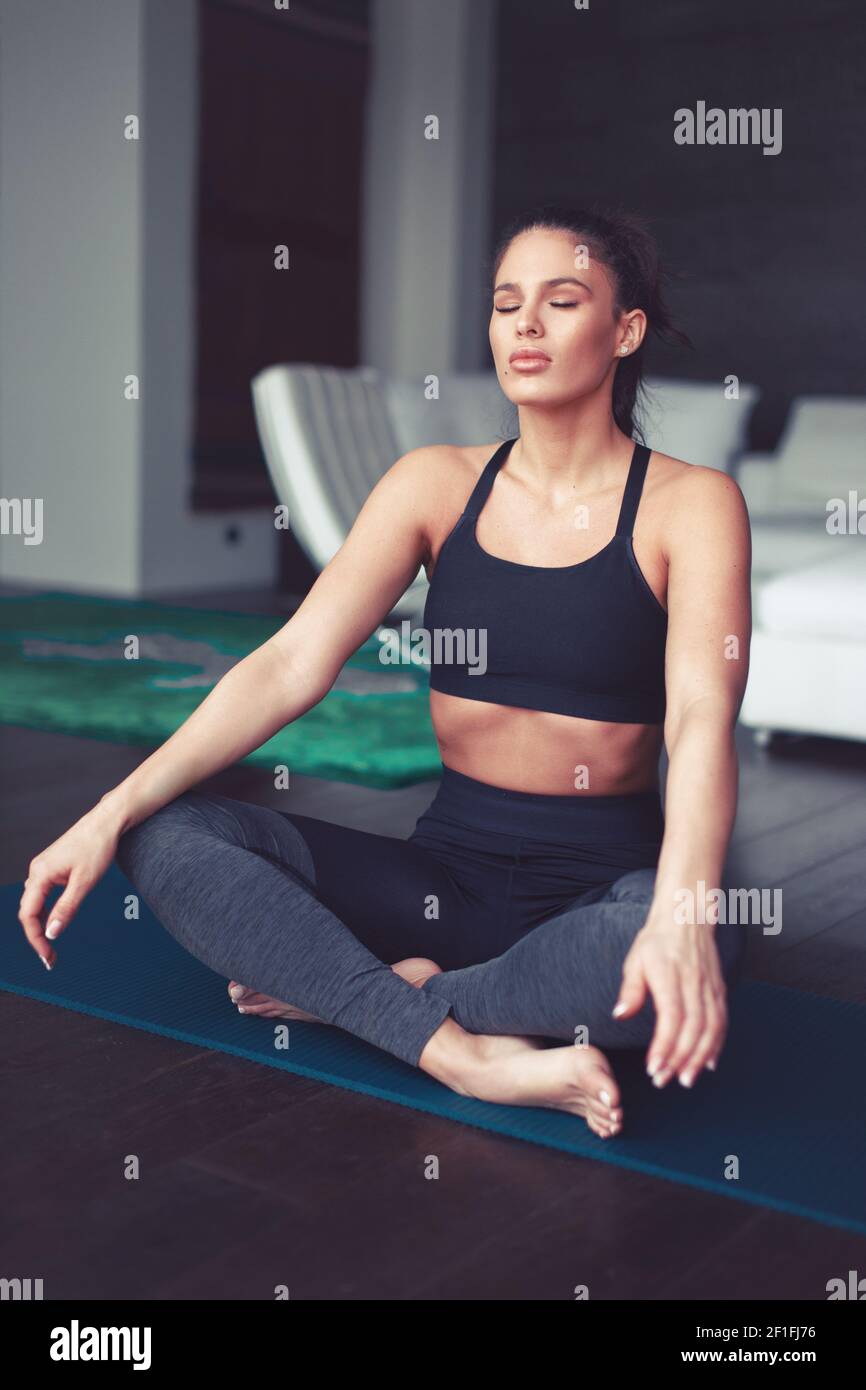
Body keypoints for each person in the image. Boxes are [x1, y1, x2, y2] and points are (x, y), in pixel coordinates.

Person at [17, 204, 751, 1140]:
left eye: (561, 302)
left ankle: (367, 996)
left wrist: (680, 912)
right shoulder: (434, 483)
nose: (524, 325)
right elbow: (291, 661)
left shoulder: (692, 505)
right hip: (441, 881)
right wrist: (106, 812)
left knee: (704, 937)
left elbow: (699, 715)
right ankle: (460, 1048)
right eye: (505, 303)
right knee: (168, 834)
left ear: (626, 330)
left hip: (598, 894)